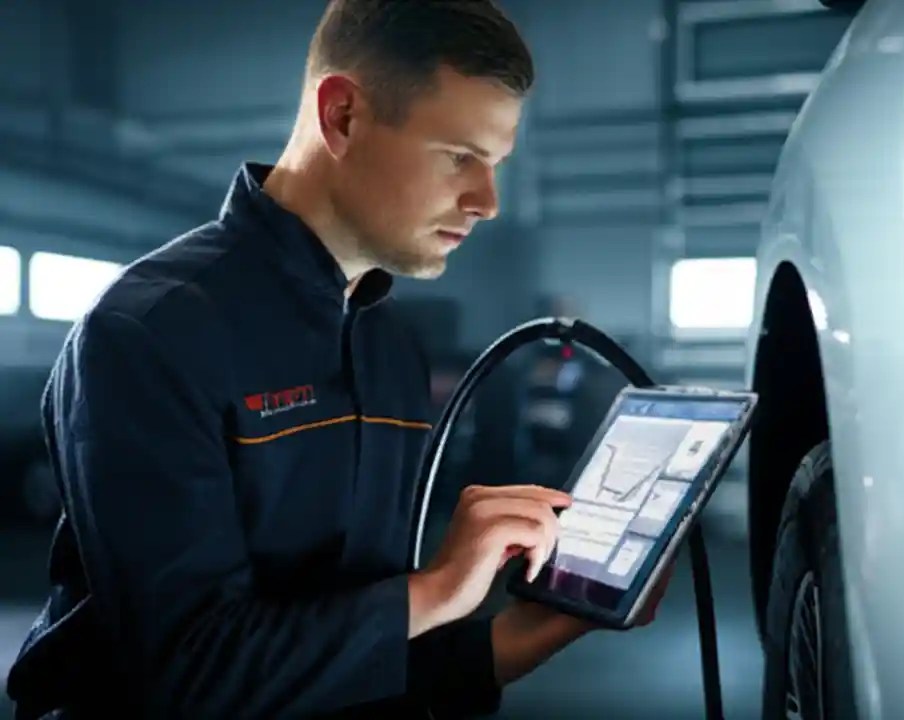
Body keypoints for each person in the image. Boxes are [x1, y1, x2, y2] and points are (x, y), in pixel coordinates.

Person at [5, 1, 670, 717]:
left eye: (497, 164)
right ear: (343, 116)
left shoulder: (387, 351)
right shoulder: (149, 333)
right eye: (459, 157)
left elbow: (357, 661)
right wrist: (441, 588)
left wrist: (532, 631)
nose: (487, 201)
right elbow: (187, 674)